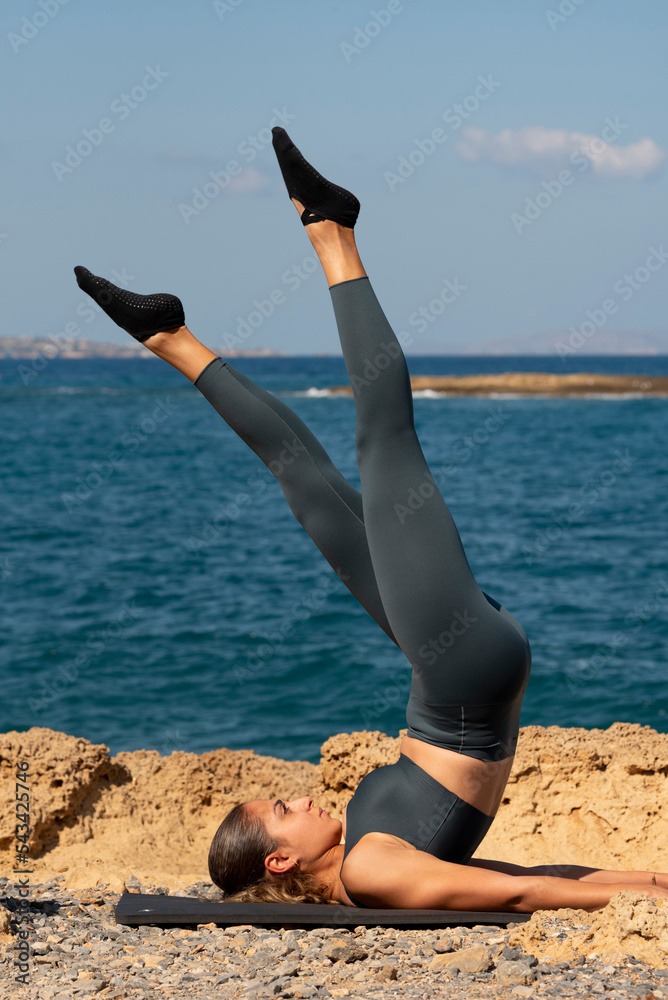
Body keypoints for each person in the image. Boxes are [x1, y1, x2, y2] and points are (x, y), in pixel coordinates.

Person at [74, 128, 667, 912]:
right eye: (284, 811)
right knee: (385, 441)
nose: (300, 797)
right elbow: (523, 897)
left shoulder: (365, 851)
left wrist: (654, 887)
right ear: (281, 860)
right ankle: (332, 232)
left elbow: (540, 875)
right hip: (460, 684)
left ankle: (168, 336)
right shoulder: (371, 871)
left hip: (456, 674)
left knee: (308, 487)